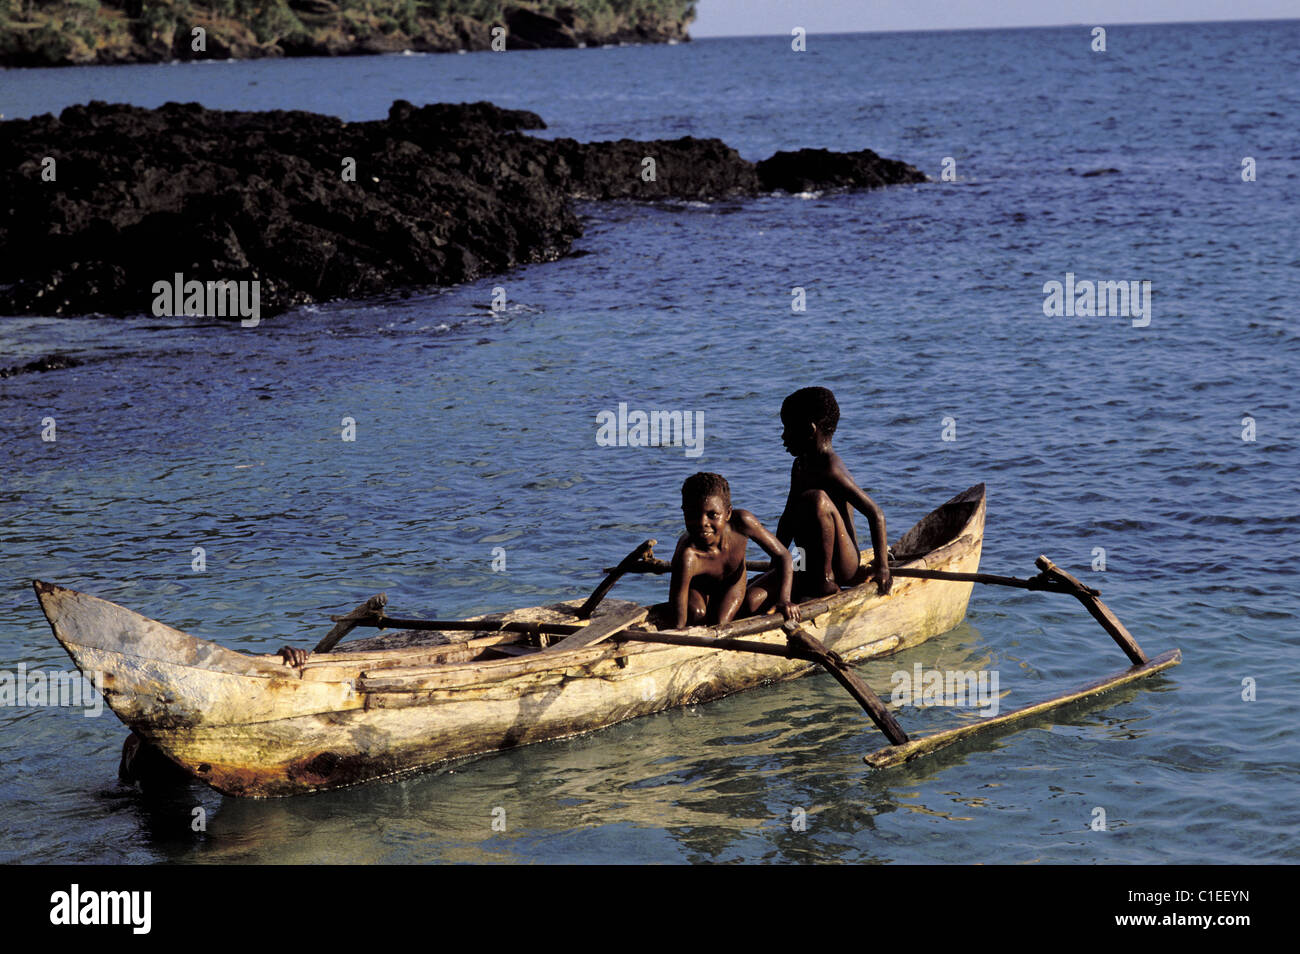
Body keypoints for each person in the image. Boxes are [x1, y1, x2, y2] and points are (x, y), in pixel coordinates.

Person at [746, 387, 892, 607]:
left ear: (809, 430)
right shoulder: (800, 466)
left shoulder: (831, 469)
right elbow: (787, 520)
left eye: (788, 429)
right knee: (751, 599)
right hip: (806, 563)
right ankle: (812, 580)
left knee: (816, 500)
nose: (783, 436)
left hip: (843, 566)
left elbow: (876, 514)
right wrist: (776, 565)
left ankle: (825, 582)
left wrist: (882, 567)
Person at [669, 472, 798, 629]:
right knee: (696, 614)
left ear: (728, 513)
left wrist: (784, 600)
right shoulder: (687, 556)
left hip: (733, 583)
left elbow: (783, 555)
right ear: (684, 511)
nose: (703, 522)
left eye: (712, 515)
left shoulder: (742, 523)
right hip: (699, 588)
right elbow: (678, 623)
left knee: (722, 623)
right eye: (693, 514)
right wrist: (680, 633)